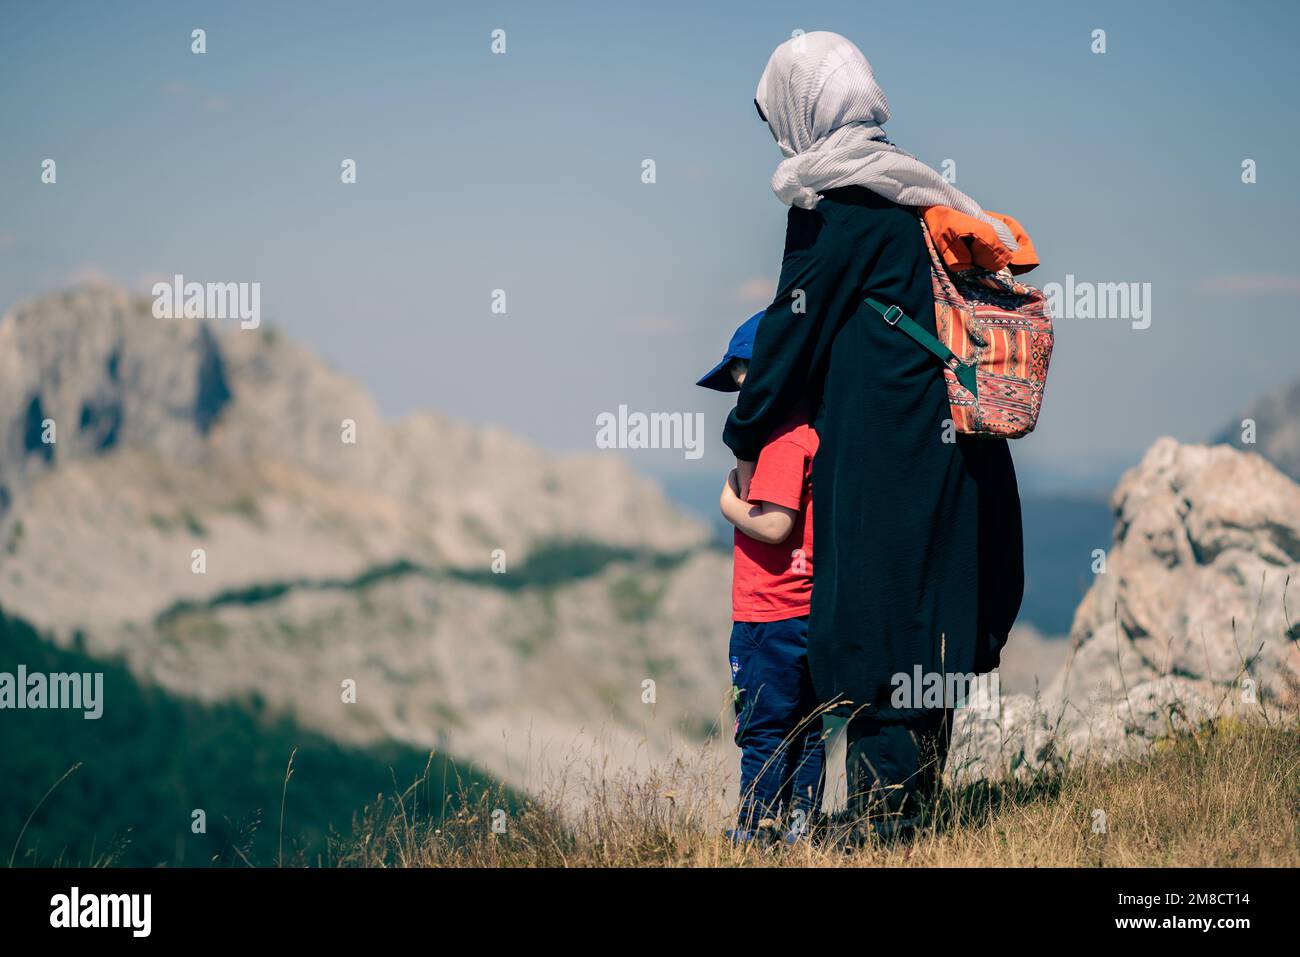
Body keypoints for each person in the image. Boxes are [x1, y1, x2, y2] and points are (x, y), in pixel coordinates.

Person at [724, 32, 1025, 840]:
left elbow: (790, 337)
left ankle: (881, 828)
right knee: (928, 618)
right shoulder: (915, 189)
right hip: (960, 447)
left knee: (876, 619)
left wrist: (743, 432)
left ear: (805, 107)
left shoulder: (836, 204)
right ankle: (910, 813)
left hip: (891, 454)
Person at [698, 313, 825, 844]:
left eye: (742, 377)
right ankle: (802, 822)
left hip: (768, 613)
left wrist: (728, 500)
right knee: (809, 726)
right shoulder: (812, 430)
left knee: (762, 727)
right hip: (810, 611)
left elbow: (774, 524)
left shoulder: (779, 440)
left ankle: (757, 828)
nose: (738, 393)